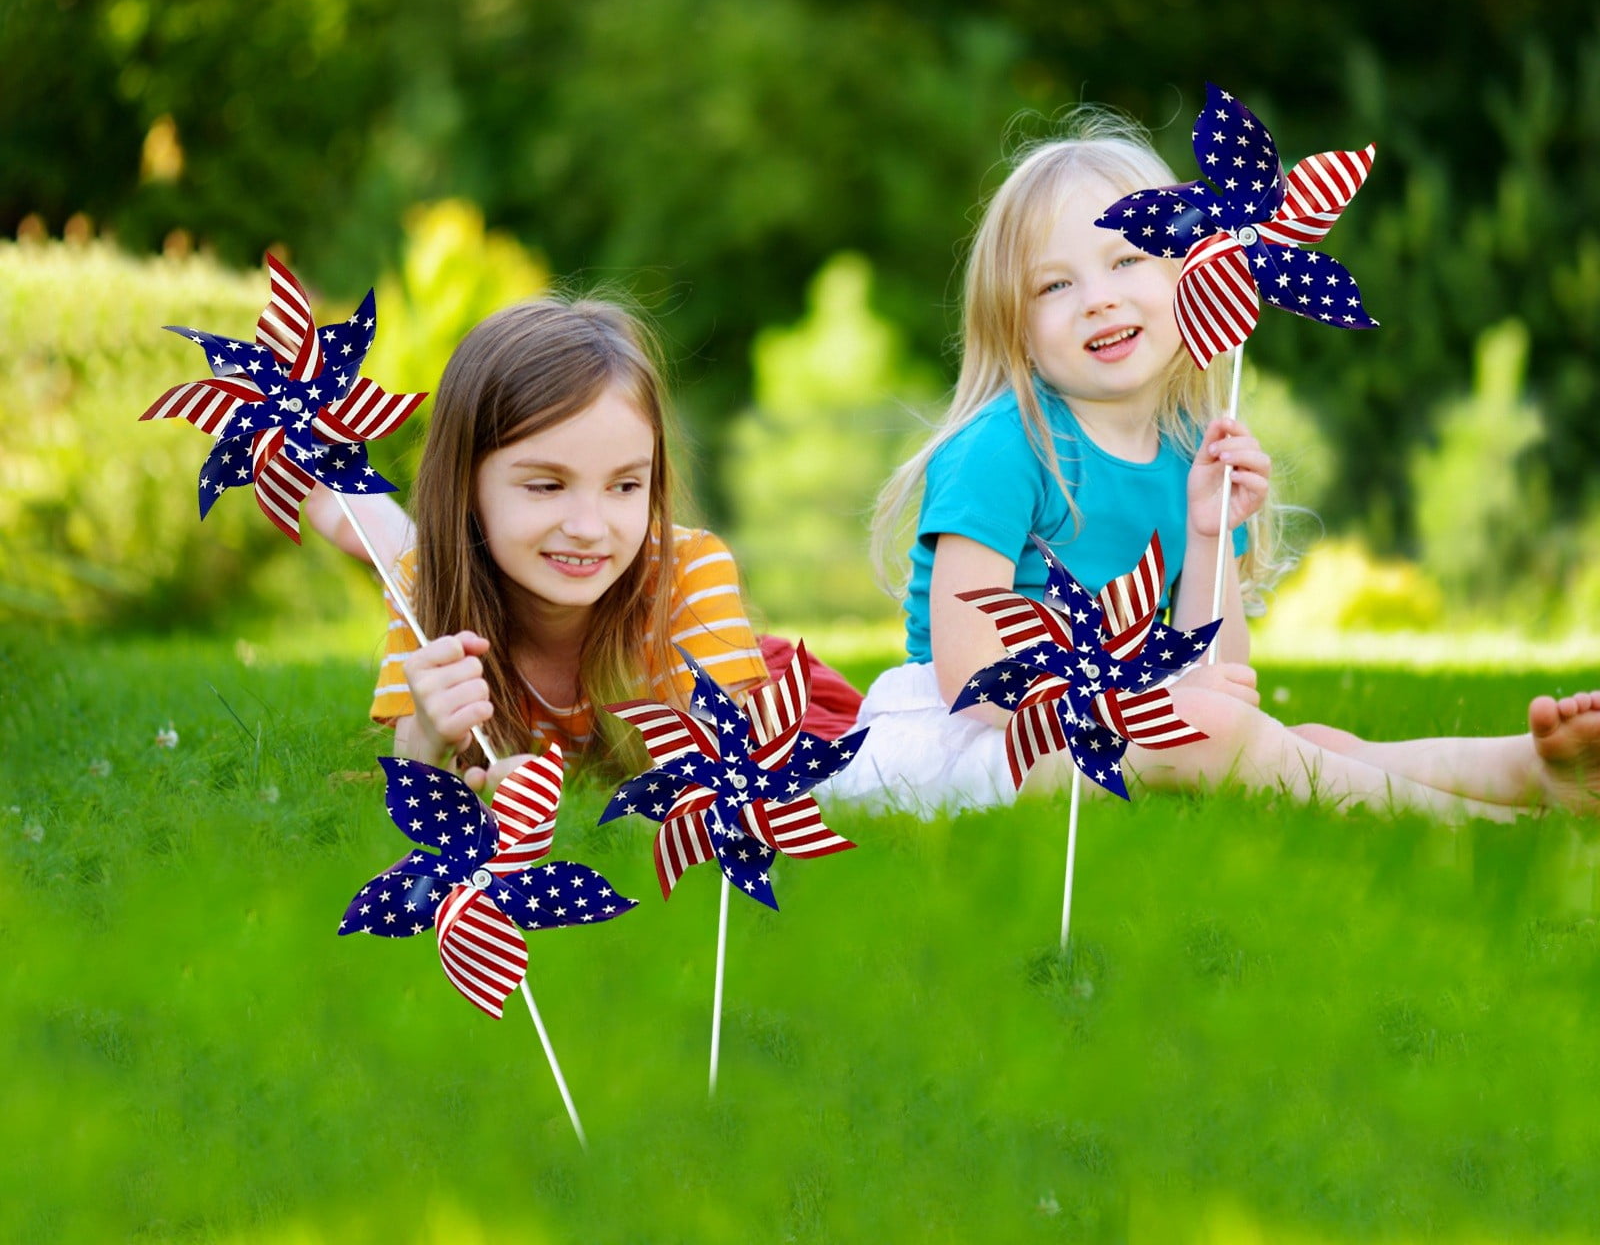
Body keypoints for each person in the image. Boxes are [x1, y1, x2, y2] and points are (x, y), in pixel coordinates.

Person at [825, 113, 1600, 821]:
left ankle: (1526, 770)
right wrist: (1136, 709)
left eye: (1127, 259)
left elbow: (1217, 672)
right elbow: (973, 676)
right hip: (964, 742)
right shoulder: (1003, 445)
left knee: (1298, 737)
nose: (1097, 299)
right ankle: (1478, 827)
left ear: (1195, 278)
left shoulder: (1188, 449)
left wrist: (1206, 533)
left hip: (1113, 721)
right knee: (1213, 731)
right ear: (1015, 328)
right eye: (1056, 284)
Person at [307, 297, 859, 790]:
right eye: (547, 485)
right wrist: (432, 740)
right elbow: (416, 777)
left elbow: (714, 772)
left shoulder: (690, 569)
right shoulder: (426, 583)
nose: (589, 527)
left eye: (624, 485)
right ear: (466, 484)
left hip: (765, 706)